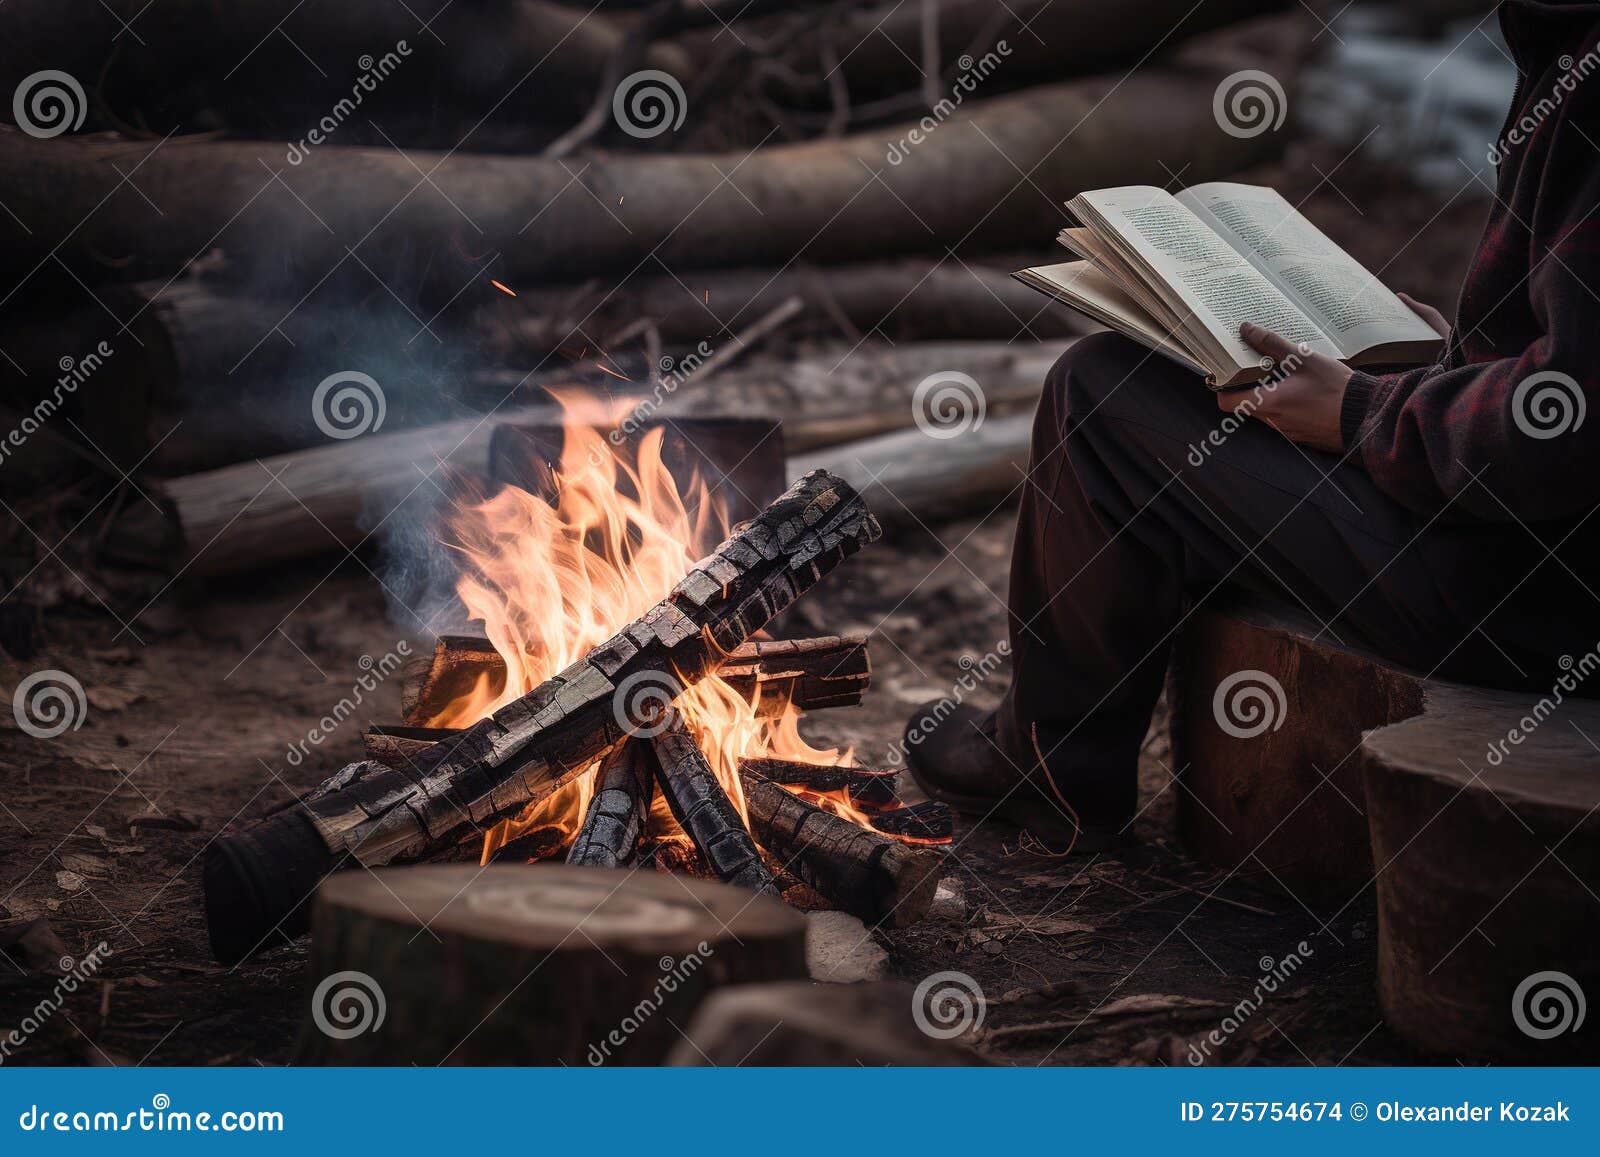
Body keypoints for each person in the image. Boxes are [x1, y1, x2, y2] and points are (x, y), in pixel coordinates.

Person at [905, 0, 1600, 848]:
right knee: (1192, 389)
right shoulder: (1565, 41)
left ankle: (1046, 773)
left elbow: (1565, 427)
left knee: (1102, 397)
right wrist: (1455, 364)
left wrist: (1358, 411)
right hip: (1543, 560)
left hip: (1532, 590)